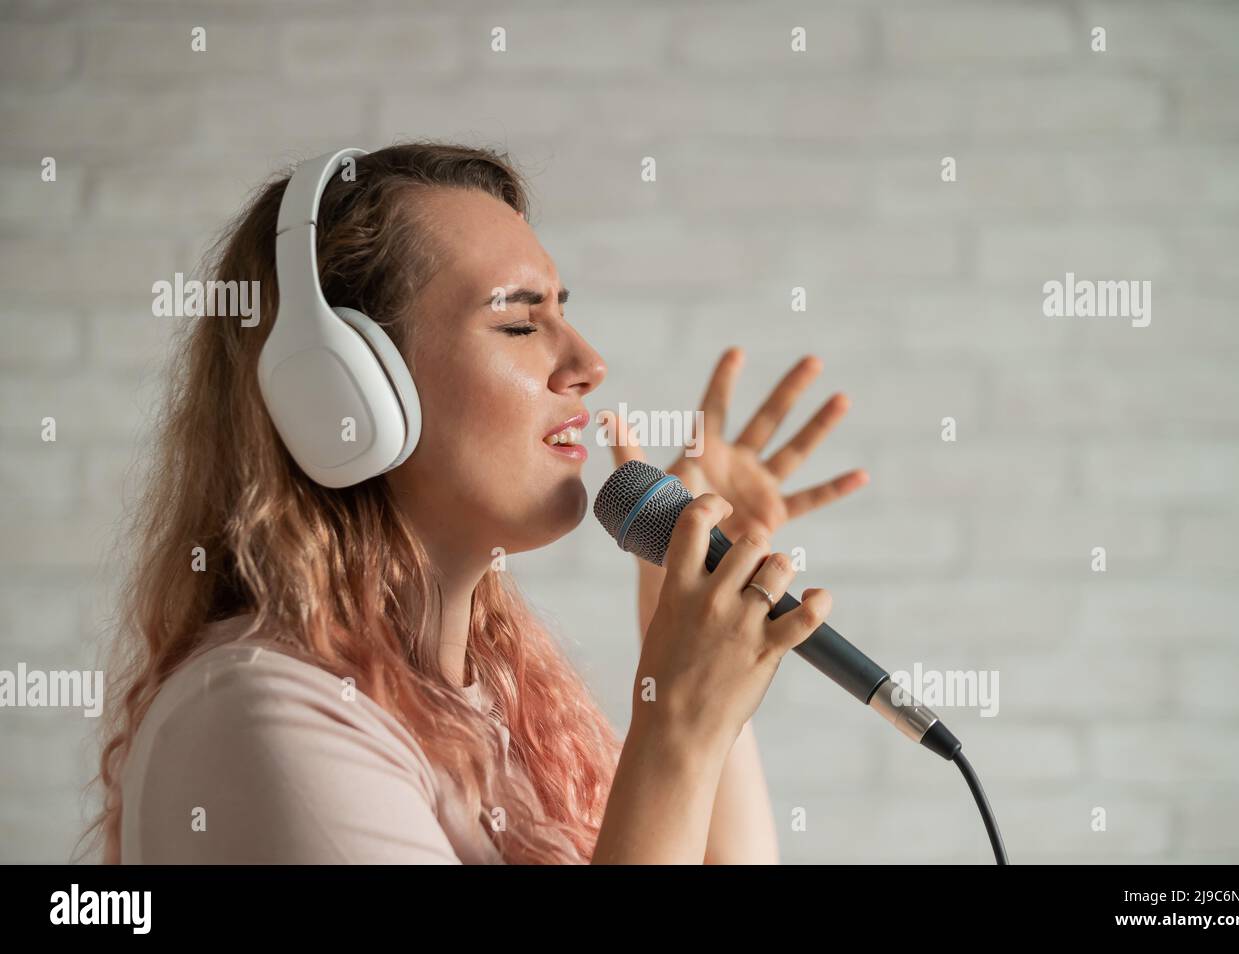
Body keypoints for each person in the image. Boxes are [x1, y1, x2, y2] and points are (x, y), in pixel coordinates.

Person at [81, 141, 868, 864]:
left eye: (563, 310)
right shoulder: (261, 713)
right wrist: (677, 733)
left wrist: (679, 592)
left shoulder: (493, 706)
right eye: (521, 323)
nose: (589, 363)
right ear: (346, 388)